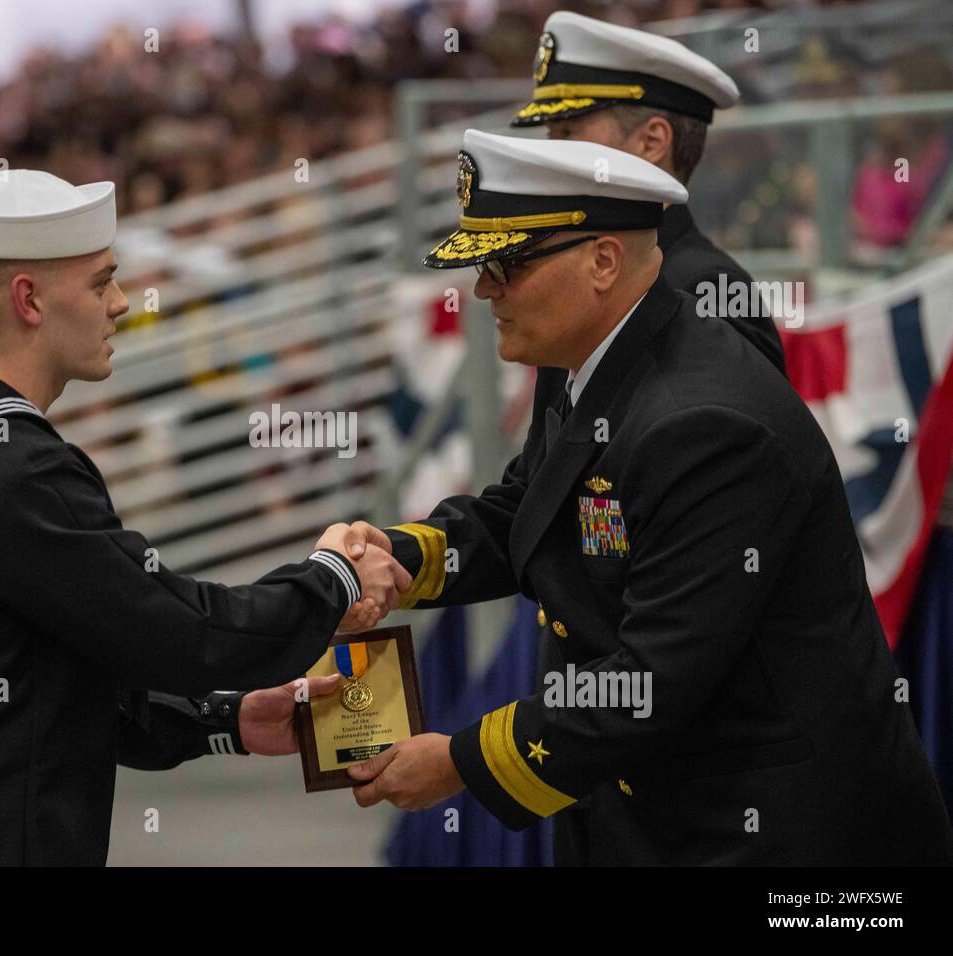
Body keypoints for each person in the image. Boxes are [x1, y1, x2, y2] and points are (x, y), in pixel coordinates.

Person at [339, 130, 953, 865]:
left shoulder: (705, 421)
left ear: (603, 261)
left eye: (506, 263)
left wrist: (461, 762)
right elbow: (526, 510)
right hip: (651, 812)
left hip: (769, 837)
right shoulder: (585, 357)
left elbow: (654, 677)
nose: (483, 290)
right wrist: (398, 557)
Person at [0, 169, 410, 865]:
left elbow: (44, 677)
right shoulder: (14, 467)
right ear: (29, 299)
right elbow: (183, 633)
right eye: (101, 283)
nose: (122, 303)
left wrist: (224, 720)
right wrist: (333, 580)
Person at [514, 11, 785, 373]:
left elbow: (733, 425)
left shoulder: (706, 286)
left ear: (651, 141)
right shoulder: (582, 275)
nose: (553, 154)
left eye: (568, 134)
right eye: (551, 136)